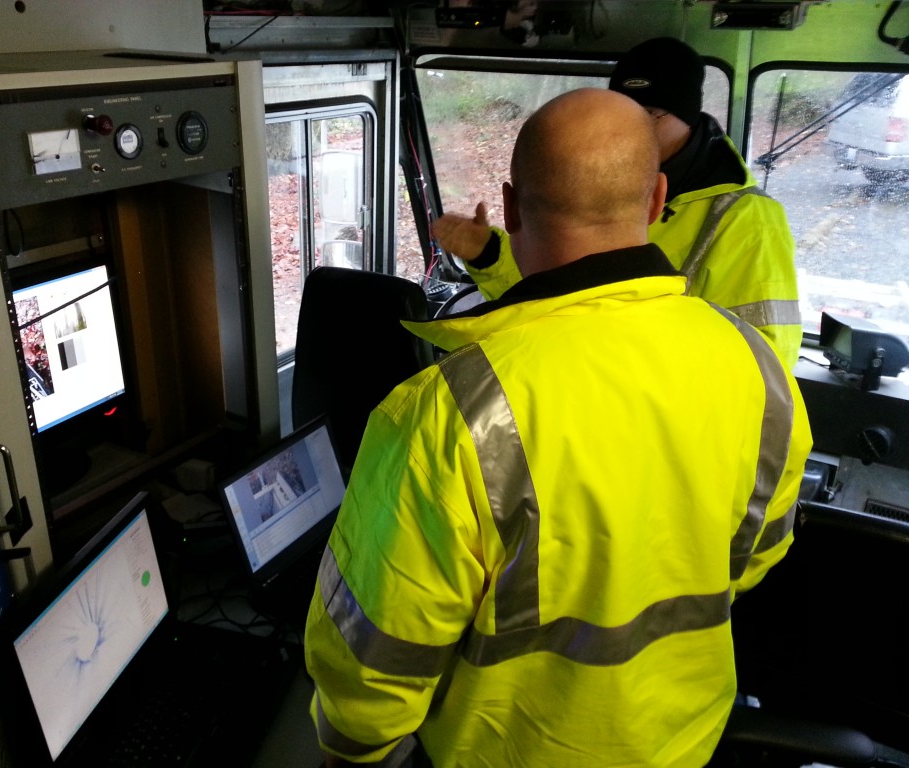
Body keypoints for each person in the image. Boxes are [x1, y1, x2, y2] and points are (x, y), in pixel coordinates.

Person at [304, 88, 812, 767]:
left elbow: (373, 654)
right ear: (658, 200)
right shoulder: (757, 368)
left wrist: (353, 754)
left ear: (509, 209)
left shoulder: (450, 410)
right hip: (682, 743)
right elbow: (755, 559)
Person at [432, 36, 803, 370]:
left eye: (650, 115)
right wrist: (489, 255)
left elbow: (766, 372)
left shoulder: (746, 218)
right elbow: (553, 303)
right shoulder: (597, 179)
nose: (629, 125)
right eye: (623, 107)